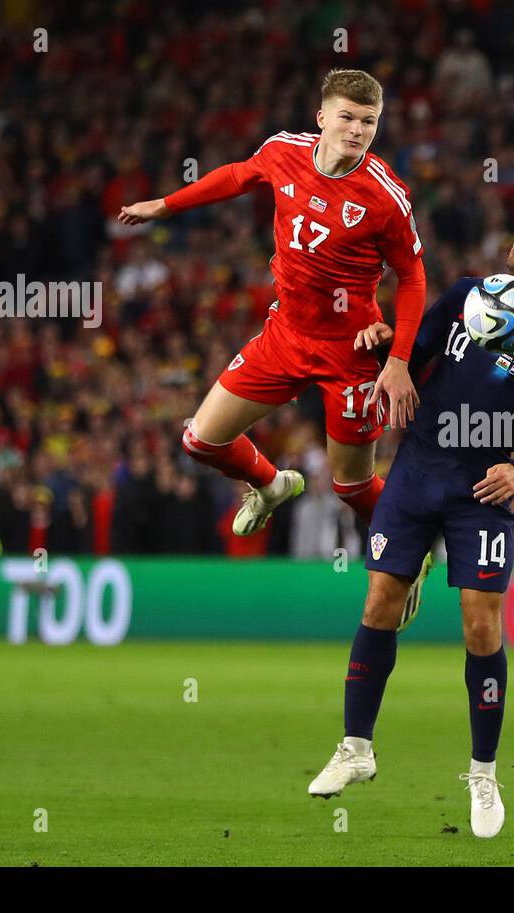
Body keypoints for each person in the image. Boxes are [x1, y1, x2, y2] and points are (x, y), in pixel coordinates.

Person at [306, 206, 514, 839]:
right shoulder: (465, 293)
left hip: (481, 489)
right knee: (379, 601)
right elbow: (417, 351)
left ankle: (483, 775)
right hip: (416, 470)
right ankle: (356, 748)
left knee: (481, 626)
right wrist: (389, 347)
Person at [117, 68, 426, 551]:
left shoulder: (386, 197)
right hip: (284, 334)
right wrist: (166, 205)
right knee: (200, 441)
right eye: (346, 117)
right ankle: (270, 484)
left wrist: (400, 359)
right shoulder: (284, 151)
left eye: (369, 121)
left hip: (350, 351)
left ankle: (413, 547)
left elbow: (413, 276)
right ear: (321, 117)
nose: (357, 131)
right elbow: (237, 175)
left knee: (351, 486)